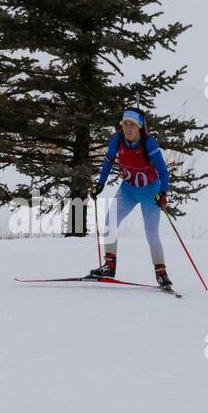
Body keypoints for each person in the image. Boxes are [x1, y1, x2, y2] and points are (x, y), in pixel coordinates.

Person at [88, 110, 173, 288]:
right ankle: (109, 267)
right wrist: (100, 184)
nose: (127, 128)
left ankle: (161, 273)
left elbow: (164, 172)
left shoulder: (149, 144)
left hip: (150, 192)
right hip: (127, 190)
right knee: (109, 222)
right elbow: (108, 162)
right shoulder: (117, 140)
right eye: (125, 123)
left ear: (139, 127)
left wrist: (163, 193)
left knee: (151, 234)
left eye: (131, 124)